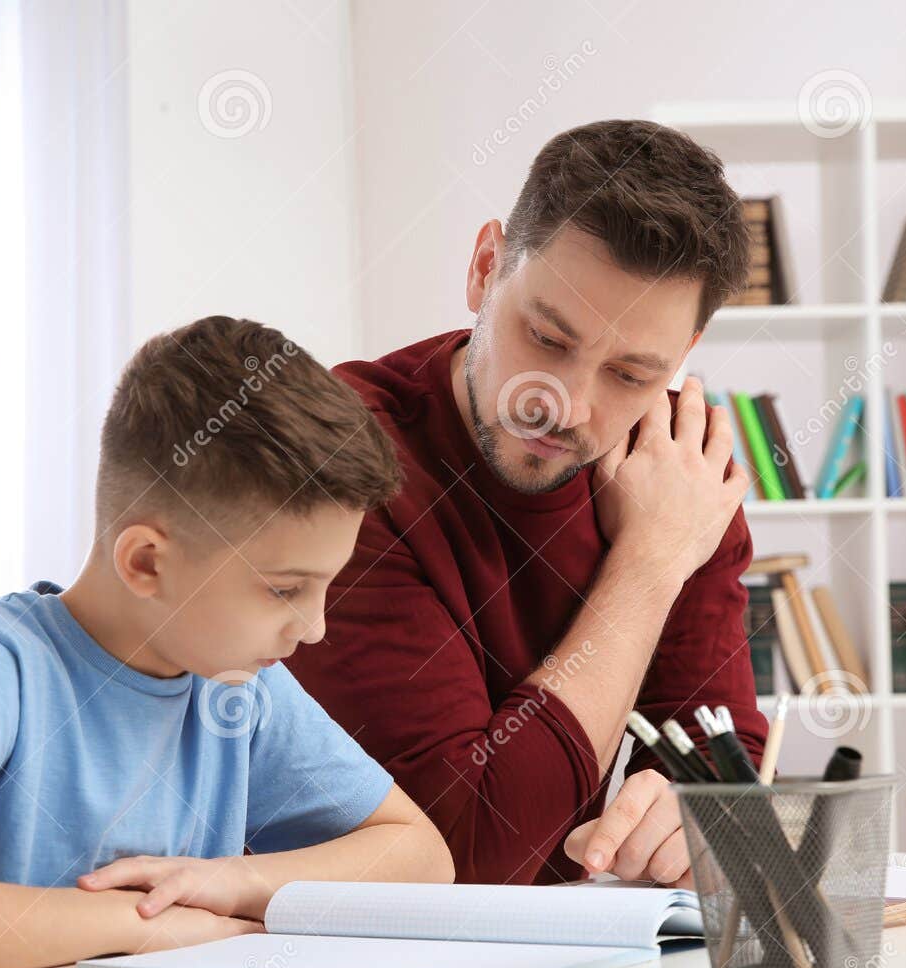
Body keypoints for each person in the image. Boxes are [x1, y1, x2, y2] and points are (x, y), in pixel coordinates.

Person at [0, 316, 454, 968]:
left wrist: (232, 882)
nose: (314, 628)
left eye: (325, 586)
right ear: (145, 562)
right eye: (284, 588)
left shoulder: (236, 688)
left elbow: (422, 857)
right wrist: (149, 923)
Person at [287, 119, 763, 887]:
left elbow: (716, 760)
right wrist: (647, 566)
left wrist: (691, 818)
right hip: (344, 963)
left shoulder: (679, 469)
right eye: (546, 337)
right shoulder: (342, 455)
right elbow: (467, 851)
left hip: (583, 967)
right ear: (485, 268)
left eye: (632, 374)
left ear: (686, 352)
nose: (567, 406)